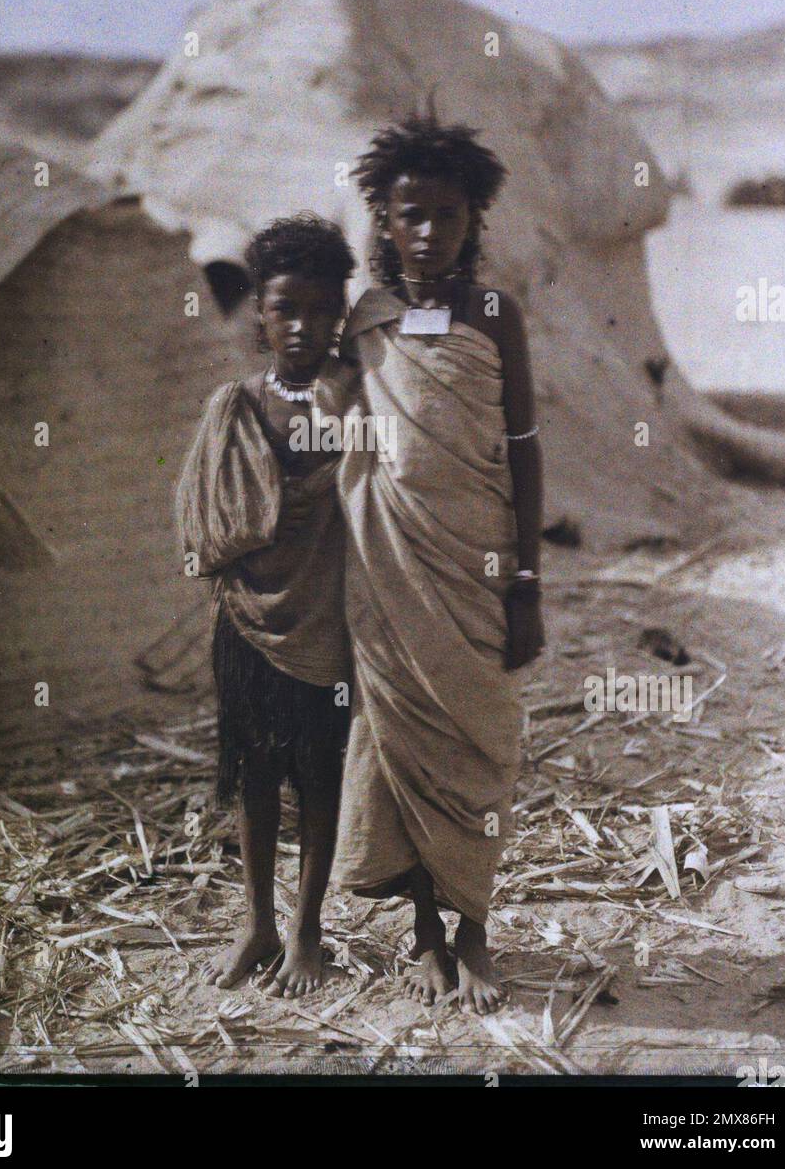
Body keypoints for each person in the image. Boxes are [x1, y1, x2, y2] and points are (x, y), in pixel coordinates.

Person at [330, 114, 545, 1013]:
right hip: (386, 566)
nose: (428, 232)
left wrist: (527, 583)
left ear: (472, 221)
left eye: (446, 215)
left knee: (481, 740)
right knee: (402, 740)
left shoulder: (495, 316)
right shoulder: (364, 321)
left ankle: (476, 930)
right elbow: (333, 433)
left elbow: (525, 448)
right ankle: (426, 932)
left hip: (479, 565)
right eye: (410, 213)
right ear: (381, 217)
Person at [179, 214, 356, 996]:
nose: (302, 326)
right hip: (249, 623)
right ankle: (255, 923)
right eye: (286, 309)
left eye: (321, 310)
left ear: (340, 315)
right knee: (254, 773)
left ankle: (306, 934)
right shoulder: (239, 407)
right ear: (260, 311)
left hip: (326, 623)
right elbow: (208, 520)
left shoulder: (357, 403)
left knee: (320, 775)